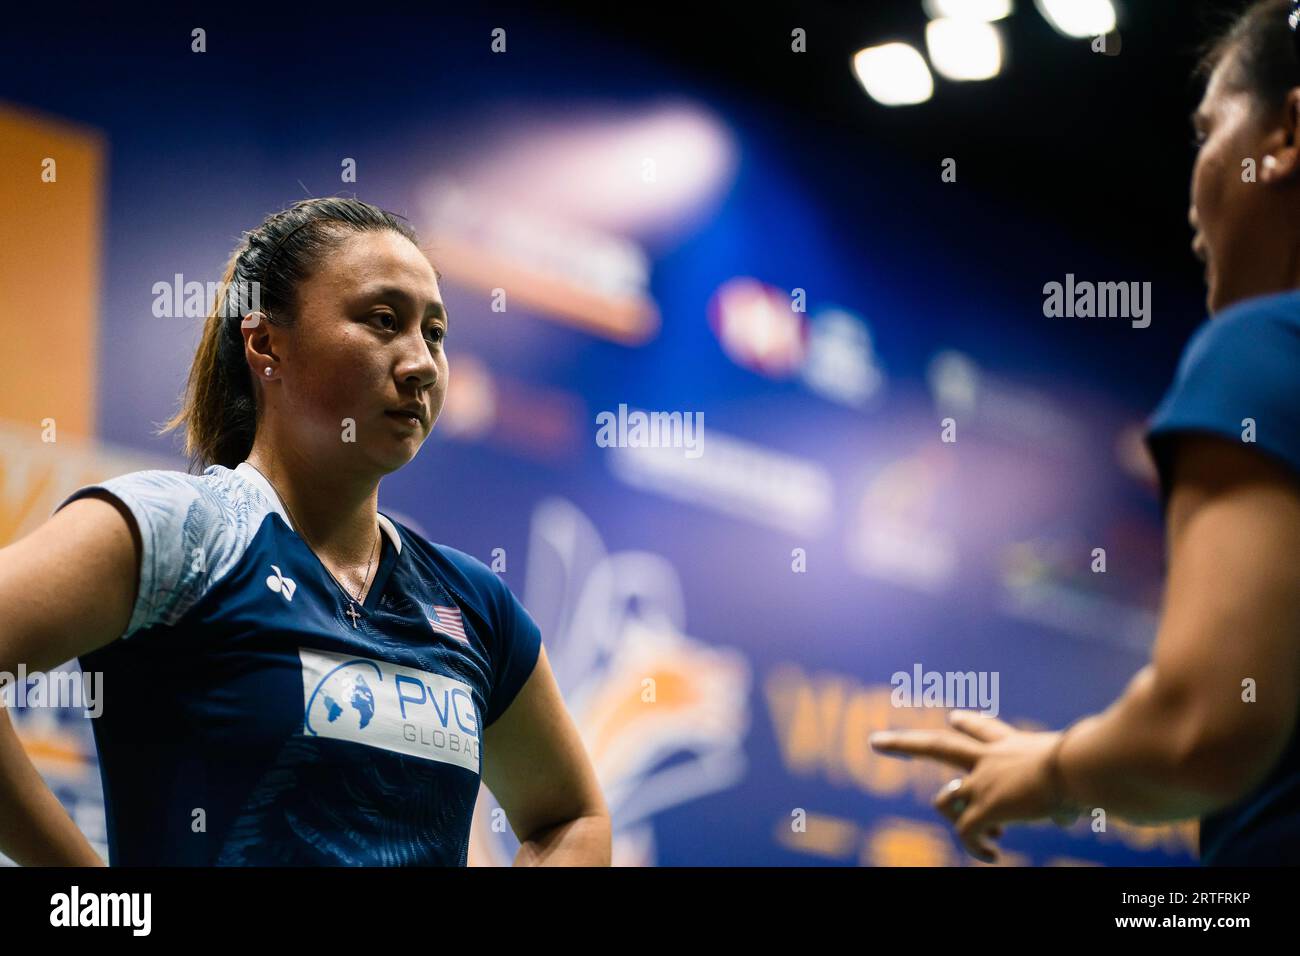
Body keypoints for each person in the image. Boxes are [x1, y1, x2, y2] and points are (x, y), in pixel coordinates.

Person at [0, 196, 611, 866]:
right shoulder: (181, 534)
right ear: (265, 342)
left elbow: (571, 817)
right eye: (383, 321)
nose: (422, 365)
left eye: (433, 333)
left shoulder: (474, 603)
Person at [870, 0, 1300, 865]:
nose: (1190, 197)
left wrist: (1054, 771)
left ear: (1288, 133)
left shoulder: (1263, 346)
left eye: (1209, 132)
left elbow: (1201, 727)